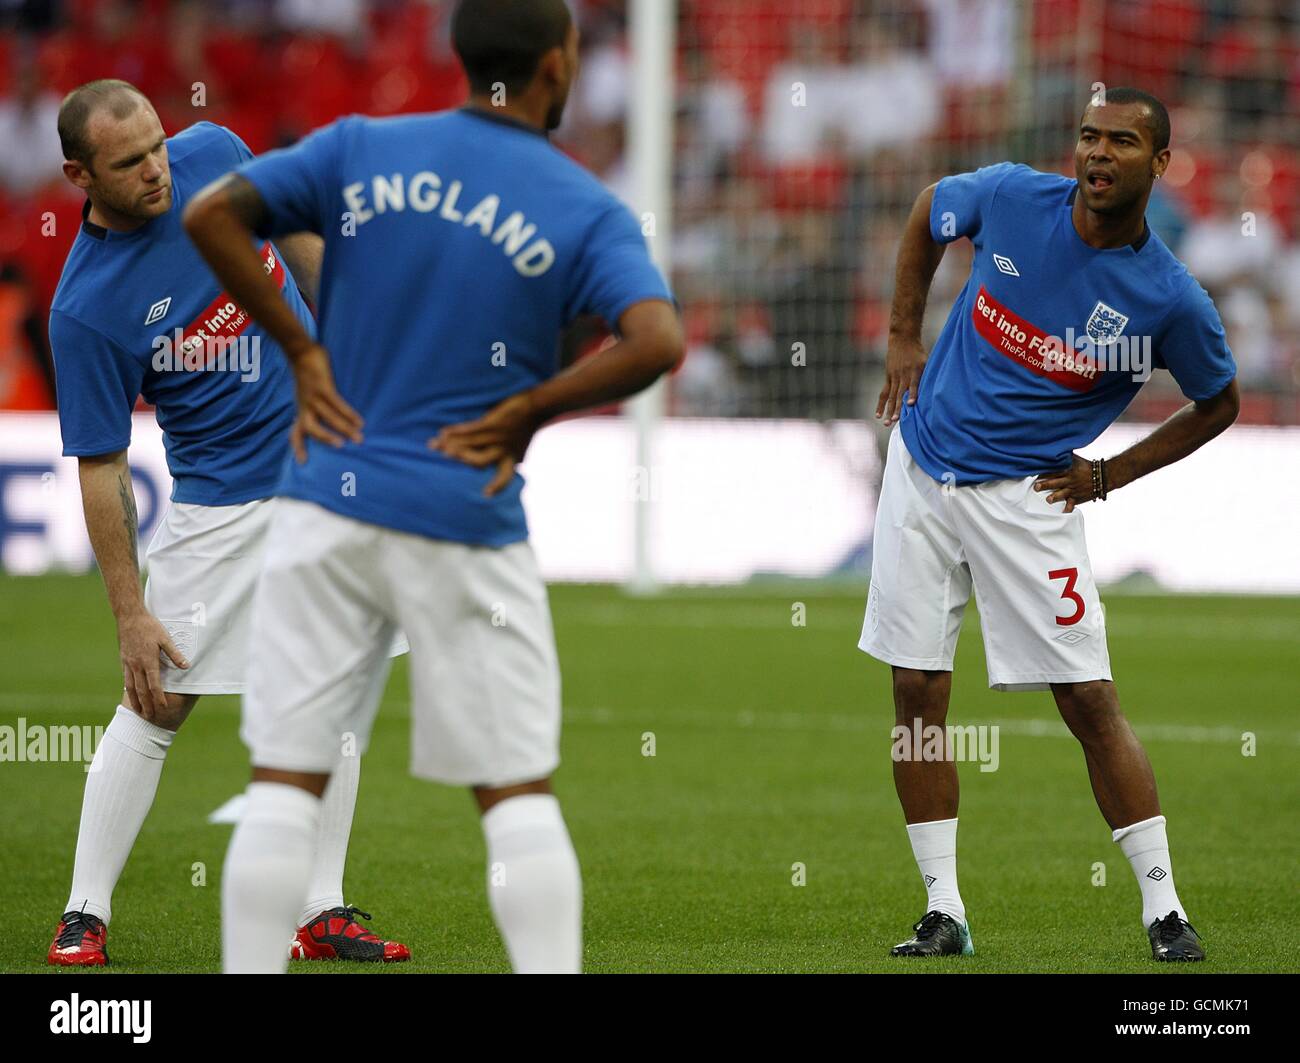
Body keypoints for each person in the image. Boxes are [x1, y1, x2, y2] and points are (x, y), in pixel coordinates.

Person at [183, 0, 683, 974]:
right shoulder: (579, 200)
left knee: (283, 781)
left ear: (459, 57)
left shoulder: (360, 145)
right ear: (556, 65)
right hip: (462, 514)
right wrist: (530, 411)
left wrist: (302, 351)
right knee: (514, 793)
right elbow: (655, 337)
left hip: (325, 499)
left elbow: (211, 212)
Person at [863, 88, 1238, 962]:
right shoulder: (1011, 197)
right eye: (1089, 137)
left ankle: (1163, 908)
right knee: (916, 692)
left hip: (1031, 500)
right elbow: (929, 212)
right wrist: (901, 338)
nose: (1099, 153)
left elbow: (1217, 401)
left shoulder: (1167, 298)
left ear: (1161, 164)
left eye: (1123, 142)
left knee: (1089, 701)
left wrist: (1108, 474)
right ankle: (943, 910)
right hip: (921, 470)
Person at [46, 80, 408, 966]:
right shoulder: (85, 309)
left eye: (158, 147)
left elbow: (295, 235)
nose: (157, 171)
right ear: (78, 176)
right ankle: (83, 912)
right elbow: (103, 470)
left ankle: (322, 910)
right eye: (129, 164)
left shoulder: (215, 155)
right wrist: (130, 613)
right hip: (219, 506)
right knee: (160, 699)